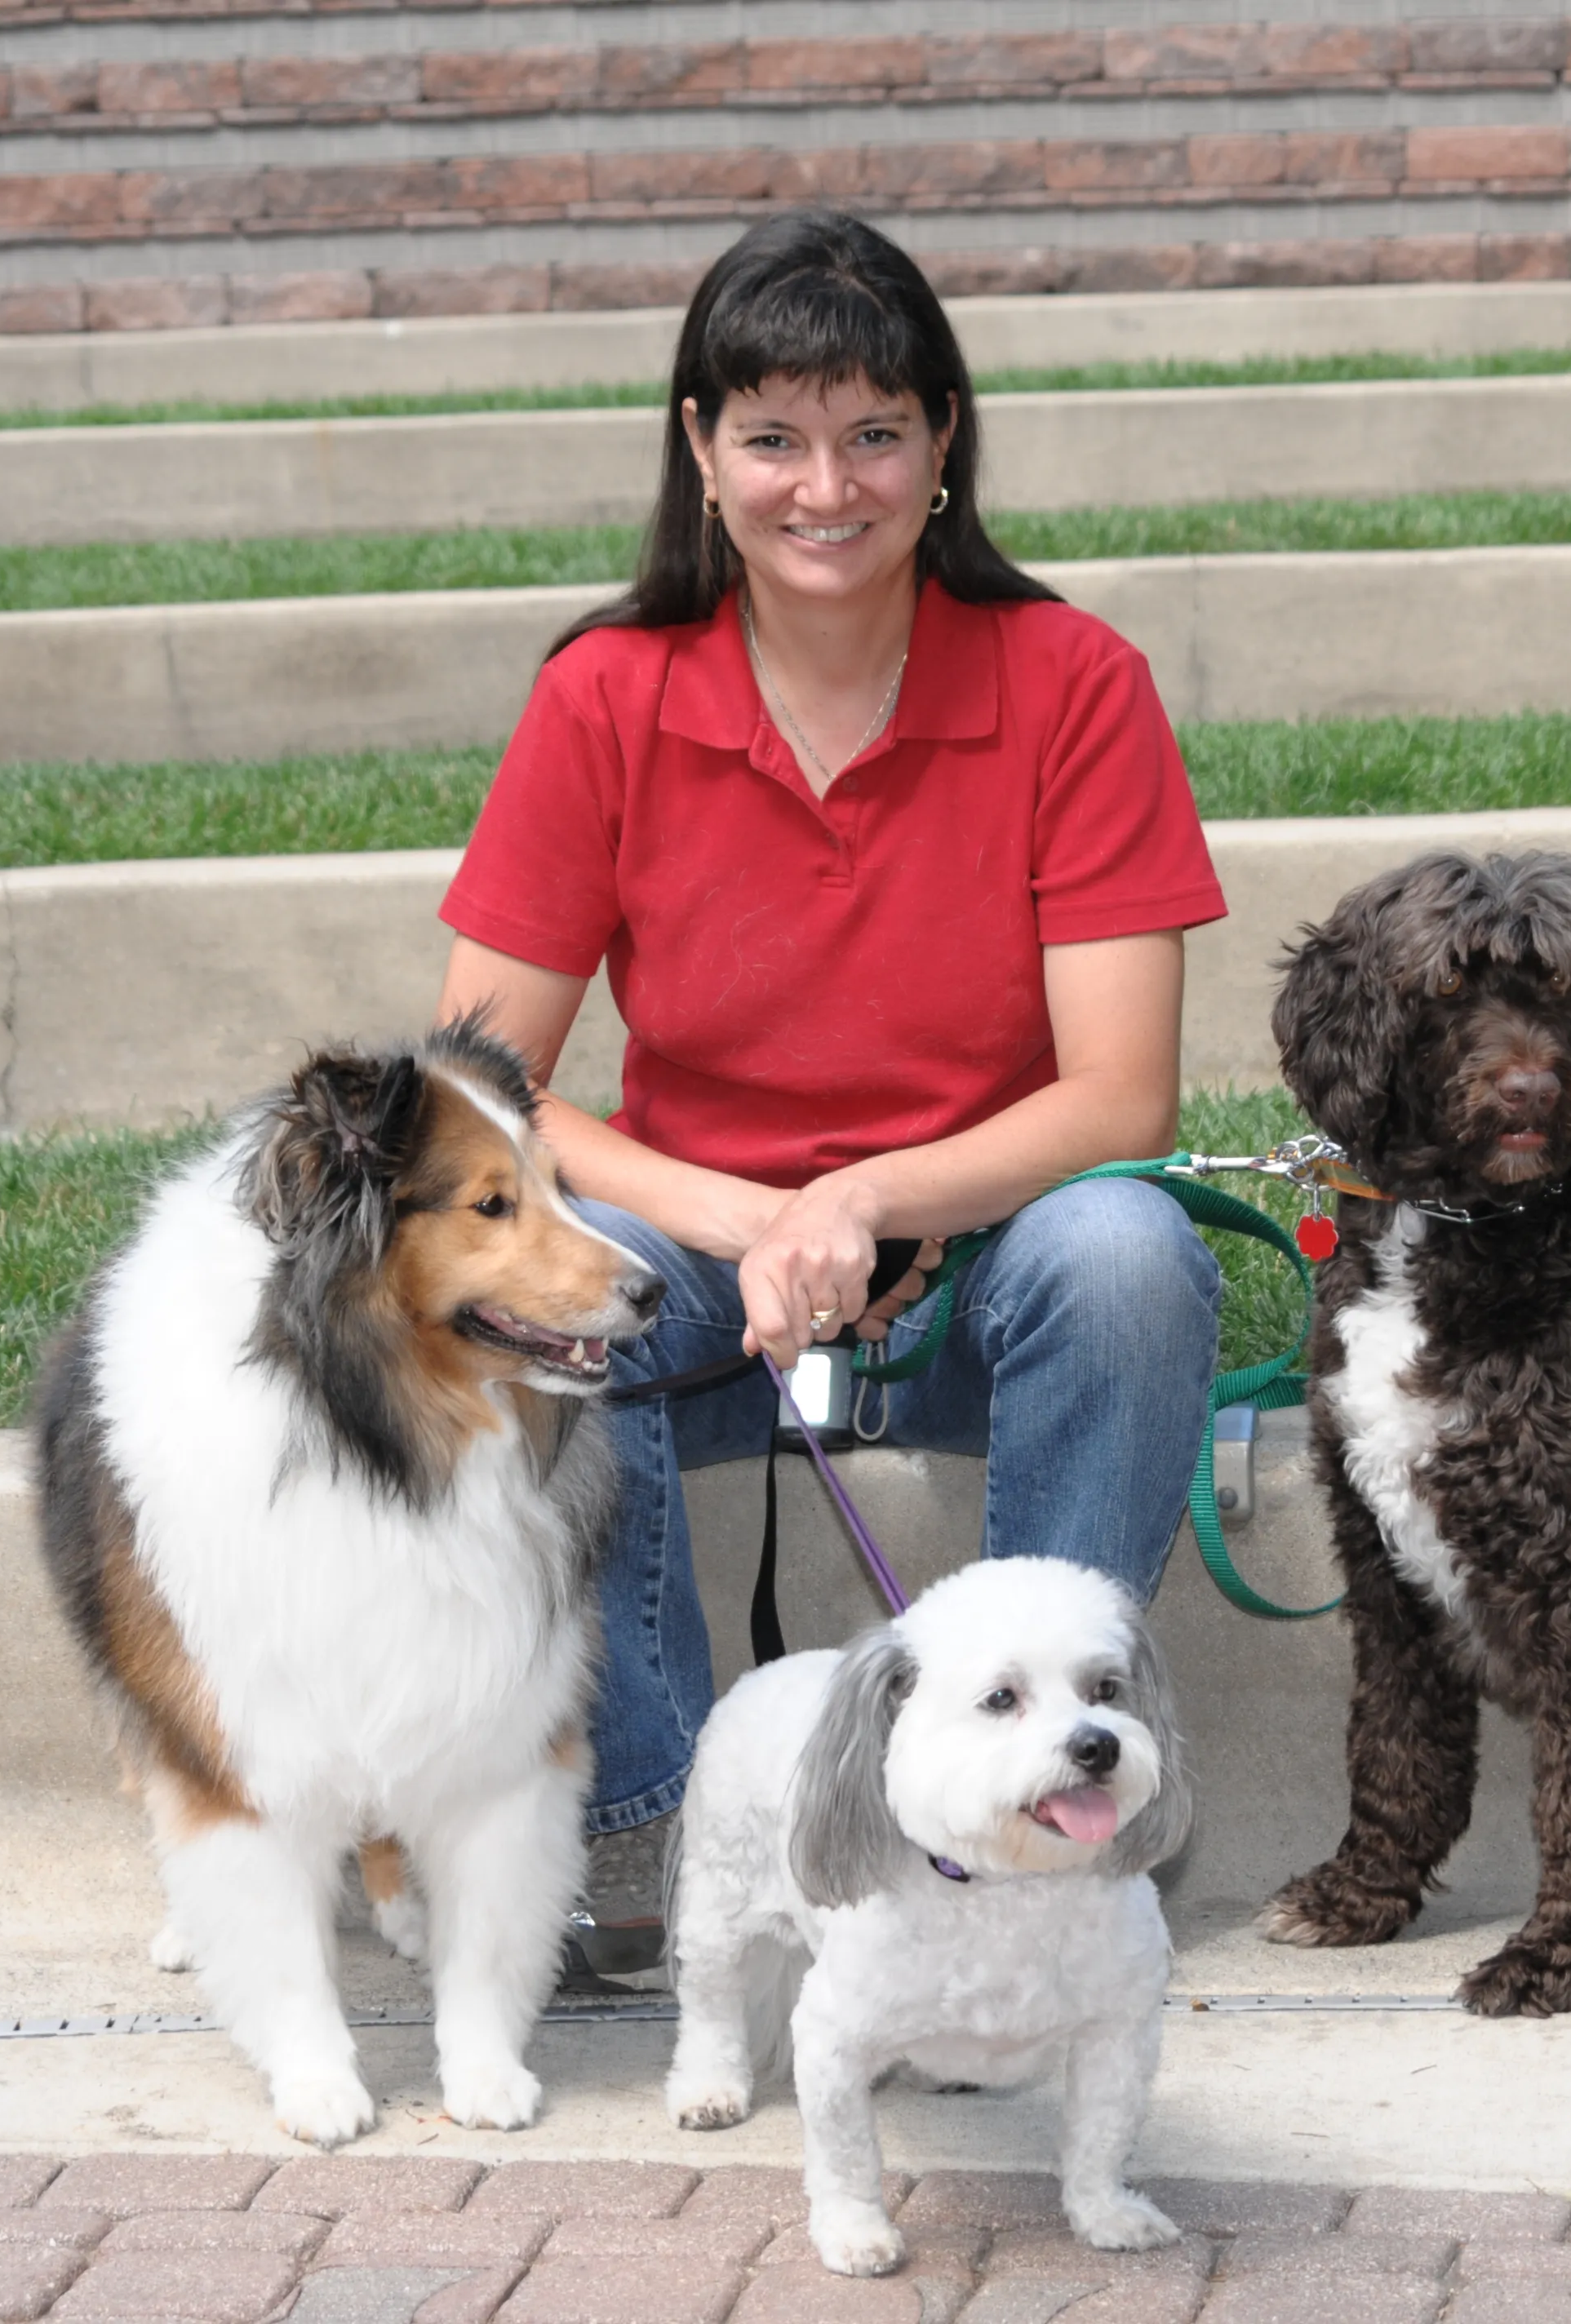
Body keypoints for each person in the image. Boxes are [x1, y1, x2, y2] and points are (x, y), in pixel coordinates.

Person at [430, 210, 1230, 1947]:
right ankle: (646, 1824)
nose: (826, 484)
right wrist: (749, 1215)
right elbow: (483, 1090)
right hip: (713, 1291)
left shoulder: (1071, 682)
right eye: (774, 436)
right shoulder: (605, 694)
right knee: (529, 1289)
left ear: (942, 445)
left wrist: (863, 1199)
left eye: (874, 432)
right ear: (701, 454)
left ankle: (1063, 1813)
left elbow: (1117, 1103)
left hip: (980, 1267)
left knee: (1127, 1250)